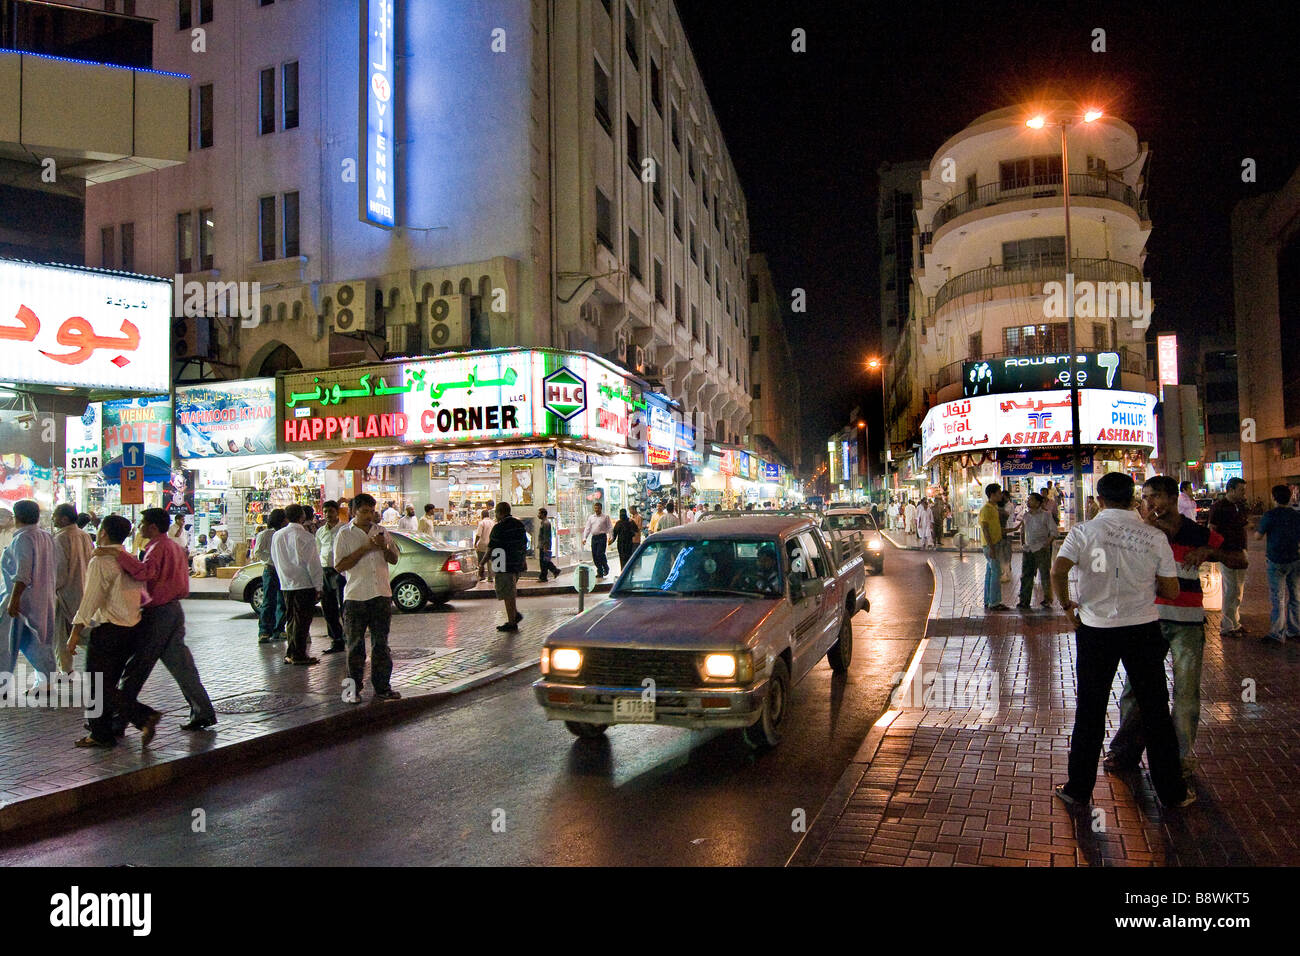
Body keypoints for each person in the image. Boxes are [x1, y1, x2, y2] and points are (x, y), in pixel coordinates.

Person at [1051, 471, 1191, 810]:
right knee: (1156, 710)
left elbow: (1058, 570)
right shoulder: (1153, 536)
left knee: (1090, 709)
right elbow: (1171, 589)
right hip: (1142, 629)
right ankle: (1172, 793)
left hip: (1096, 630)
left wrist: (1068, 606)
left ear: (1100, 499)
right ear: (1133, 498)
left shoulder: (1083, 532)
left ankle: (1078, 789)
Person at [1104, 476, 1247, 780]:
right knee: (1135, 689)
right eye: (1145, 497)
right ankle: (1125, 751)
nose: (1149, 503)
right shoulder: (1141, 533)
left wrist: (1210, 553)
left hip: (1188, 624)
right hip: (1147, 621)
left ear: (1172, 498)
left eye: (1154, 496)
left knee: (1186, 691)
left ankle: (1180, 757)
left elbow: (1240, 559)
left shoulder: (1197, 533)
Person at [110, 507, 217, 732]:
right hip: (173, 610)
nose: (139, 528)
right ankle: (203, 711)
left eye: (142, 524)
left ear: (153, 527)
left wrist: (118, 555)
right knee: (181, 665)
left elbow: (145, 573)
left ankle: (120, 718)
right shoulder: (173, 547)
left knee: (137, 667)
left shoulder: (158, 548)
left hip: (158, 613)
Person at [67, 514, 160, 749]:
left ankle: (139, 717)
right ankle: (103, 729)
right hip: (131, 628)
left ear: (103, 533)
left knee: (99, 684)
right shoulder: (127, 558)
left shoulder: (101, 561)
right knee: (108, 683)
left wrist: (75, 631)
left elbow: (91, 599)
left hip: (109, 629)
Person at [333, 493, 401, 702]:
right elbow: (339, 565)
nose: (369, 516)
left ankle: (382, 687)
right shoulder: (344, 534)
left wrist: (383, 546)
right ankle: (351, 691)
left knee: (381, 644)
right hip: (356, 596)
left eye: (372, 511)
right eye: (364, 511)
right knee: (355, 646)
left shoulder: (381, 531)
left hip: (381, 594)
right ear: (354, 512)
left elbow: (394, 559)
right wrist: (365, 548)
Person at [0, 499, 57, 688]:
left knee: (8, 643)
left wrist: (14, 600)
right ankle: (45, 680)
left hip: (21, 599)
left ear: (17, 517)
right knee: (36, 640)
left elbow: (22, 573)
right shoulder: (45, 536)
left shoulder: (23, 538)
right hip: (42, 597)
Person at [272, 503, 324, 666]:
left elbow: (275, 559)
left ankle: (292, 652)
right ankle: (299, 654)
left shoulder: (278, 535)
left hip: (287, 583)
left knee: (291, 619)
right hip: (304, 583)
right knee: (302, 620)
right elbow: (313, 564)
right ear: (302, 517)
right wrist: (319, 586)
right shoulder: (306, 537)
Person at [1254, 484, 1300, 645]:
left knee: (1278, 597)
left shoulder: (1270, 515)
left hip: (1276, 560)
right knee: (1296, 596)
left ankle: (1277, 633)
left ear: (1274, 498)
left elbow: (1258, 536)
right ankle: (1295, 630)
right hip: (1294, 559)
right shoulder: (1296, 515)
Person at [52, 503, 94, 673]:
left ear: (63, 518)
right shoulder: (85, 536)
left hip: (65, 592)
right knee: (79, 629)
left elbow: (59, 570)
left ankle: (67, 669)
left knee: (62, 634)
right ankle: (66, 669)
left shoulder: (60, 538)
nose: (52, 518)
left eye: (54, 515)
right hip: (83, 589)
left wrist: (52, 588)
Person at [1210, 477, 1250, 638]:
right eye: (1241, 490)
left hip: (1240, 551)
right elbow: (1212, 529)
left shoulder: (1240, 505)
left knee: (1238, 590)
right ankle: (1227, 626)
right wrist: (1216, 551)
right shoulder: (1219, 507)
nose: (1243, 493)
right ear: (1231, 490)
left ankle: (1235, 622)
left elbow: (1244, 525)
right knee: (1230, 590)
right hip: (1226, 552)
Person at [487, 501, 527, 631]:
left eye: (497, 513)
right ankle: (514, 615)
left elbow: (491, 547)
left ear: (500, 512)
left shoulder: (499, 527)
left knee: (507, 593)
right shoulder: (519, 524)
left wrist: (481, 563)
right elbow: (524, 544)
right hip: (517, 563)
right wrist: (523, 560)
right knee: (511, 590)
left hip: (504, 563)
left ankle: (512, 622)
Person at [315, 500, 346, 654]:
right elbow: (318, 551)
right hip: (325, 571)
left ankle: (348, 636)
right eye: (325, 511)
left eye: (331, 511)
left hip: (340, 572)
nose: (328, 515)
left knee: (344, 606)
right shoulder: (320, 531)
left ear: (337, 512)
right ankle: (336, 639)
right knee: (328, 607)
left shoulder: (344, 530)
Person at [1015, 493, 1057, 611]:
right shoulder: (1026, 516)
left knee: (1044, 575)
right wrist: (1022, 544)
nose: (1029, 502)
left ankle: (1047, 599)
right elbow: (1023, 531)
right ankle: (1024, 600)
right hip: (1028, 549)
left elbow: (1054, 532)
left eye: (1031, 500)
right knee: (1026, 575)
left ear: (1038, 503)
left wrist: (1046, 544)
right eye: (1028, 500)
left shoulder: (1046, 515)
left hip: (1041, 549)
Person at [254, 510, 287, 643]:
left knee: (282, 601)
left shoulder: (284, 534)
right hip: (271, 569)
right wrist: (272, 559)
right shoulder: (265, 534)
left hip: (282, 570)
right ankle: (264, 631)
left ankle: (279, 629)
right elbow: (258, 552)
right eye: (284, 519)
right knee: (268, 601)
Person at [978, 484, 1009, 611]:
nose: (1001, 495)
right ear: (992, 494)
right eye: (999, 493)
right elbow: (985, 529)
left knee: (990, 573)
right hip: (991, 545)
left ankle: (988, 600)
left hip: (993, 544)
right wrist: (991, 548)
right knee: (996, 573)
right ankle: (995, 602)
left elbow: (995, 528)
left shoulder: (994, 508)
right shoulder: (986, 509)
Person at [583, 502, 613, 577]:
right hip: (594, 538)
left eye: (598, 508)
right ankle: (600, 571)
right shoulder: (591, 517)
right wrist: (584, 538)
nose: (596, 510)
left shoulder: (605, 517)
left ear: (601, 508)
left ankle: (605, 567)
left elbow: (610, 527)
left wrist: (611, 536)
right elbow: (588, 528)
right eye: (595, 508)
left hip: (602, 537)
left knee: (600, 553)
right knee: (595, 555)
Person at [536, 507, 561, 582]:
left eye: (539, 513)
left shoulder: (546, 523)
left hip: (544, 546)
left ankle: (544, 576)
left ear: (543, 514)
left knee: (544, 562)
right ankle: (555, 570)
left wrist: (545, 546)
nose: (538, 515)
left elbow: (546, 536)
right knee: (545, 561)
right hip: (543, 545)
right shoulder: (544, 522)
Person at [474, 507, 496, 584]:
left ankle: (481, 576)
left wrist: (475, 543)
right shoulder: (493, 522)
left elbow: (478, 534)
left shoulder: (482, 523)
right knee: (489, 560)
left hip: (482, 544)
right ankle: (490, 577)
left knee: (481, 561)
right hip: (491, 544)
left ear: (482, 515)